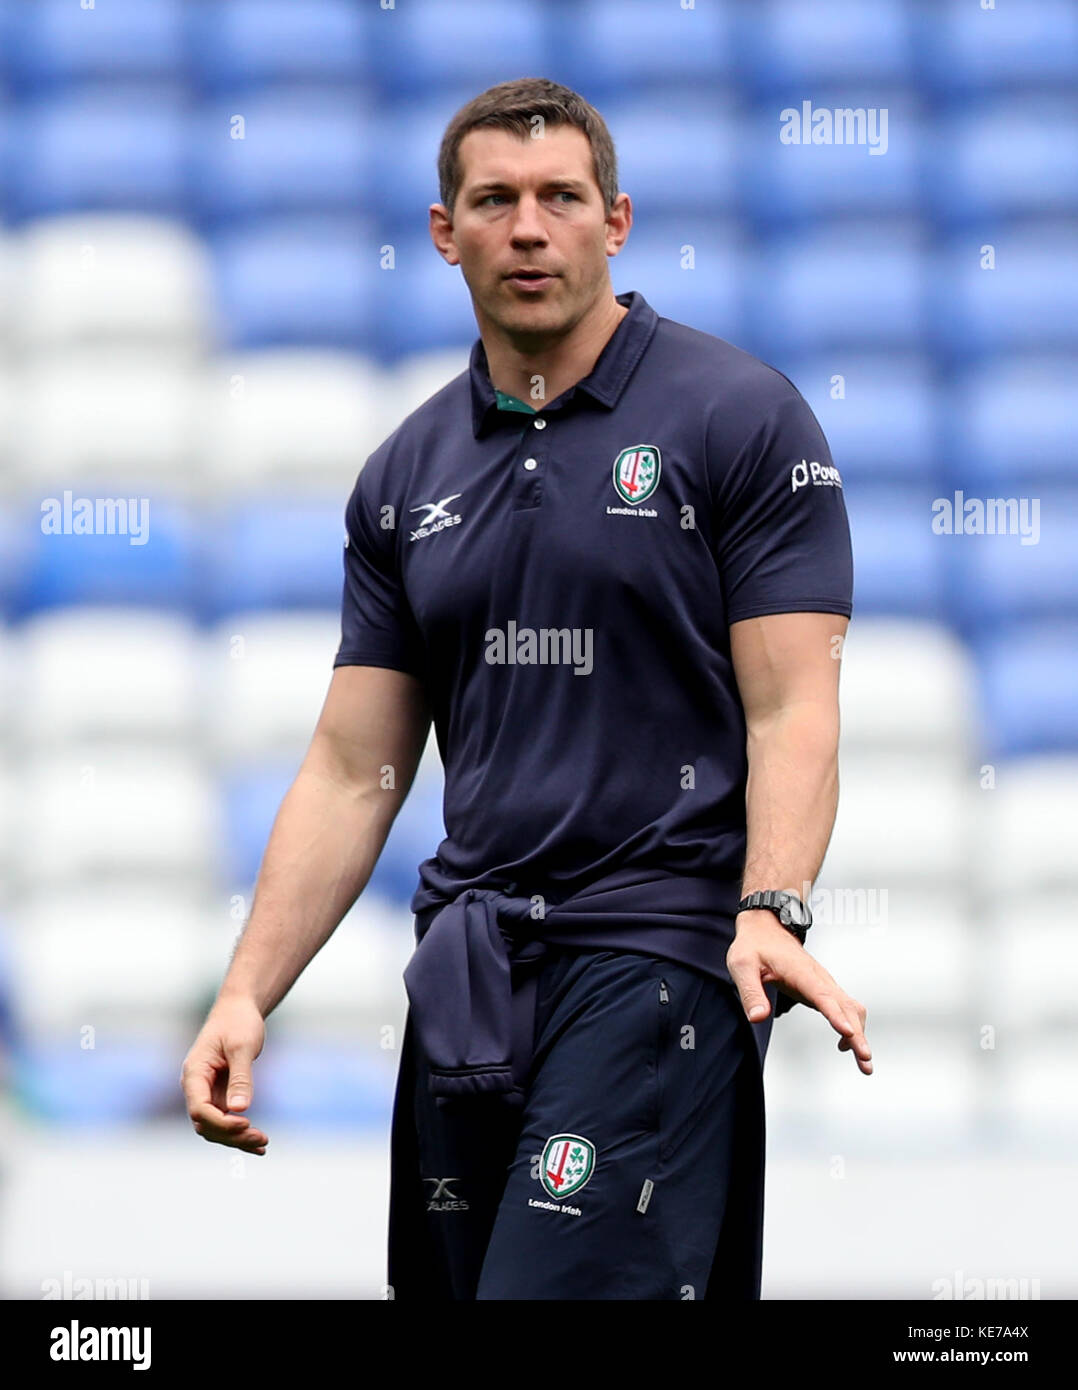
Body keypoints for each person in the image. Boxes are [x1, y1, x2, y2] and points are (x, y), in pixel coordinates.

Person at [181, 77, 871, 1302]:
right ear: (445, 233)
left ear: (617, 221)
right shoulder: (406, 472)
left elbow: (794, 707)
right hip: (466, 974)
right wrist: (247, 991)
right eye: (493, 200)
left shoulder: (739, 418)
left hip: (655, 958)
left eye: (561, 198)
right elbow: (354, 767)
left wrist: (771, 905)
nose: (528, 227)